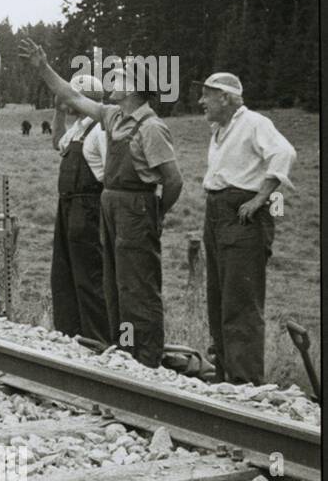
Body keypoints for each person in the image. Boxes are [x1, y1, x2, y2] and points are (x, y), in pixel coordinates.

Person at [20, 40, 182, 368]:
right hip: (112, 206)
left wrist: (156, 214)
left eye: (120, 78)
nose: (113, 83)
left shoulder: (151, 127)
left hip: (136, 208)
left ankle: (147, 360)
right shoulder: (113, 116)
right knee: (115, 286)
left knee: (138, 289)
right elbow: (74, 96)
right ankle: (124, 352)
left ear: (135, 89)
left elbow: (174, 180)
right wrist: (44, 69)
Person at [199, 72, 296, 384]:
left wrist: (261, 198)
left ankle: (245, 382)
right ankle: (225, 374)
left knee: (240, 299)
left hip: (241, 216)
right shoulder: (221, 129)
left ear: (225, 97)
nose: (201, 102)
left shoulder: (254, 122)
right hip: (217, 212)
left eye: (207, 95)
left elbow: (284, 152)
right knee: (218, 295)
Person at [49, 73, 109, 344]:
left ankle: (96, 337)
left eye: (70, 95)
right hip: (69, 205)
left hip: (87, 206)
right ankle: (70, 335)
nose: (65, 99)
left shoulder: (98, 129)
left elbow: (109, 175)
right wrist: (58, 113)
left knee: (89, 275)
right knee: (64, 273)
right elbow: (57, 143)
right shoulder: (78, 127)